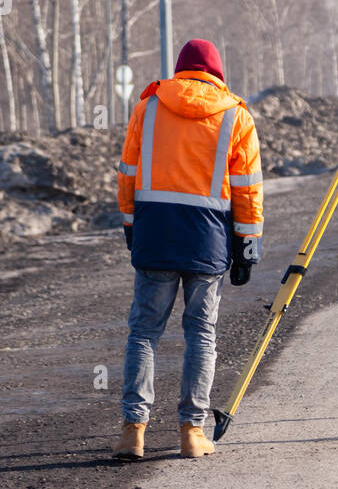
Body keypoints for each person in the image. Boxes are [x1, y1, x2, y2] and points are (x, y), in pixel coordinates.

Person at [112, 39, 263, 460]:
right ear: (217, 72)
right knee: (201, 334)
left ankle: (133, 432)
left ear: (180, 69)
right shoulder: (235, 114)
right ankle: (192, 434)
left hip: (156, 232)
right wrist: (247, 244)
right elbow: (248, 188)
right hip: (208, 239)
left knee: (144, 333)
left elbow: (127, 173)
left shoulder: (150, 106)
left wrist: (131, 225)